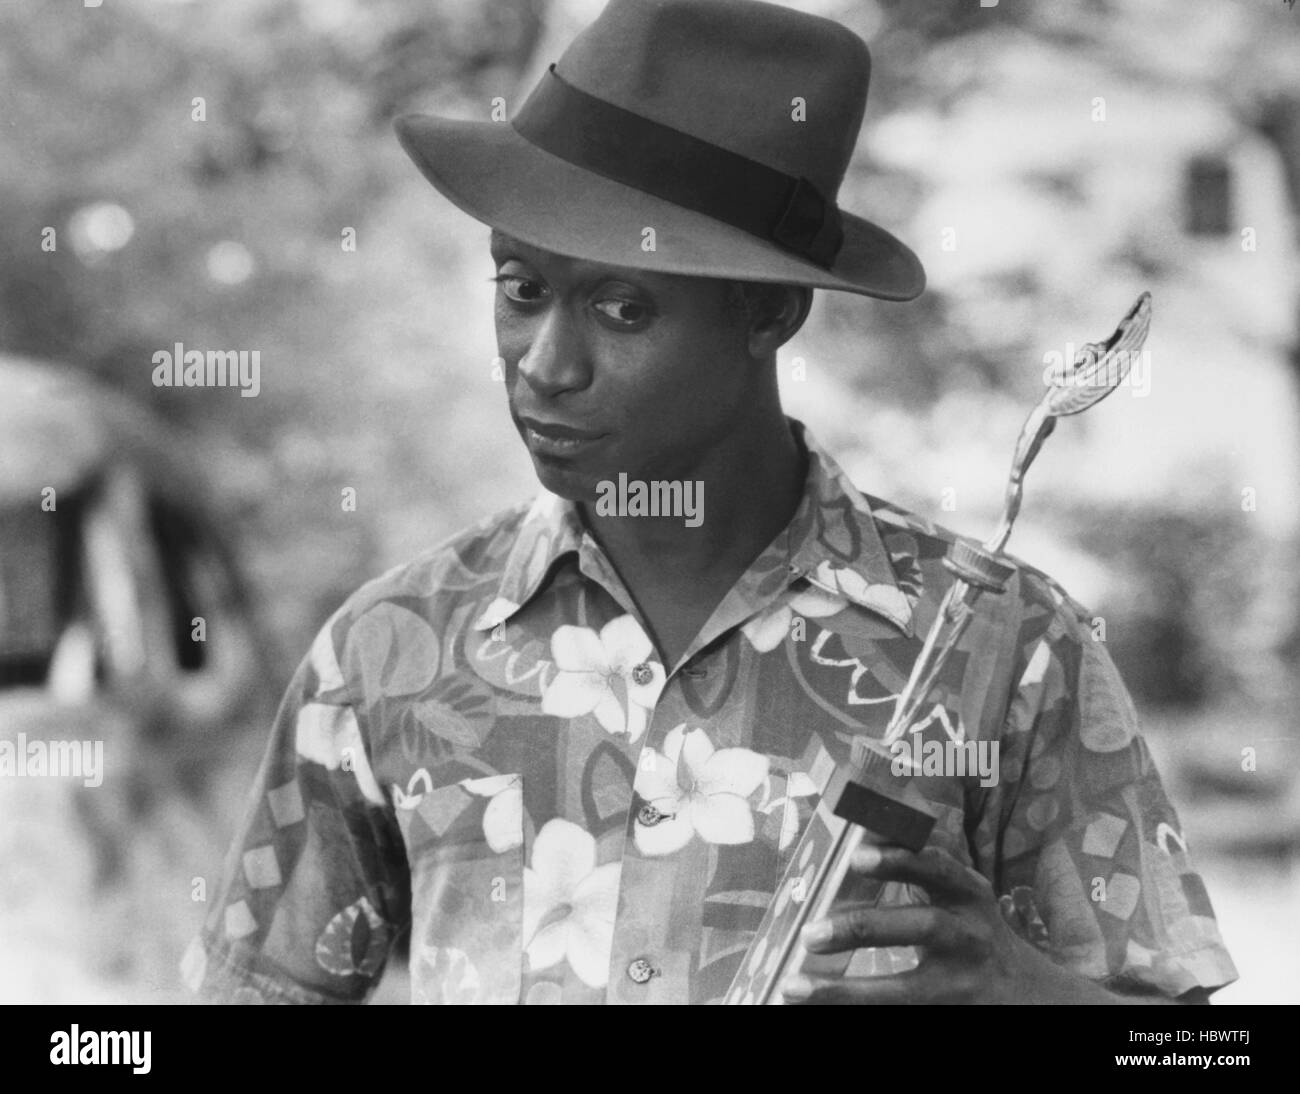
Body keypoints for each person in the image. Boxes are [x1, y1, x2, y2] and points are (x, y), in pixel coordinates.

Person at [184, 0, 1237, 1005]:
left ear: (770, 311)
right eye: (520, 290)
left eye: (622, 306)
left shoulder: (1004, 644)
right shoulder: (392, 651)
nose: (544, 365)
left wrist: (1019, 987)